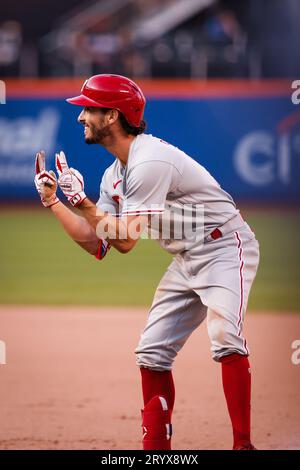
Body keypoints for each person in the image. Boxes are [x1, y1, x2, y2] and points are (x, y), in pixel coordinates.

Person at [34, 74, 259, 450]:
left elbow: (125, 241)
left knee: (225, 337)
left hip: (224, 246)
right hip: (186, 257)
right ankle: (157, 450)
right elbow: (99, 244)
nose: (80, 116)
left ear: (112, 116)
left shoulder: (149, 161)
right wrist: (55, 202)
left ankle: (243, 444)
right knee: (152, 351)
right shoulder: (113, 175)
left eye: (89, 108)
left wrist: (83, 203)